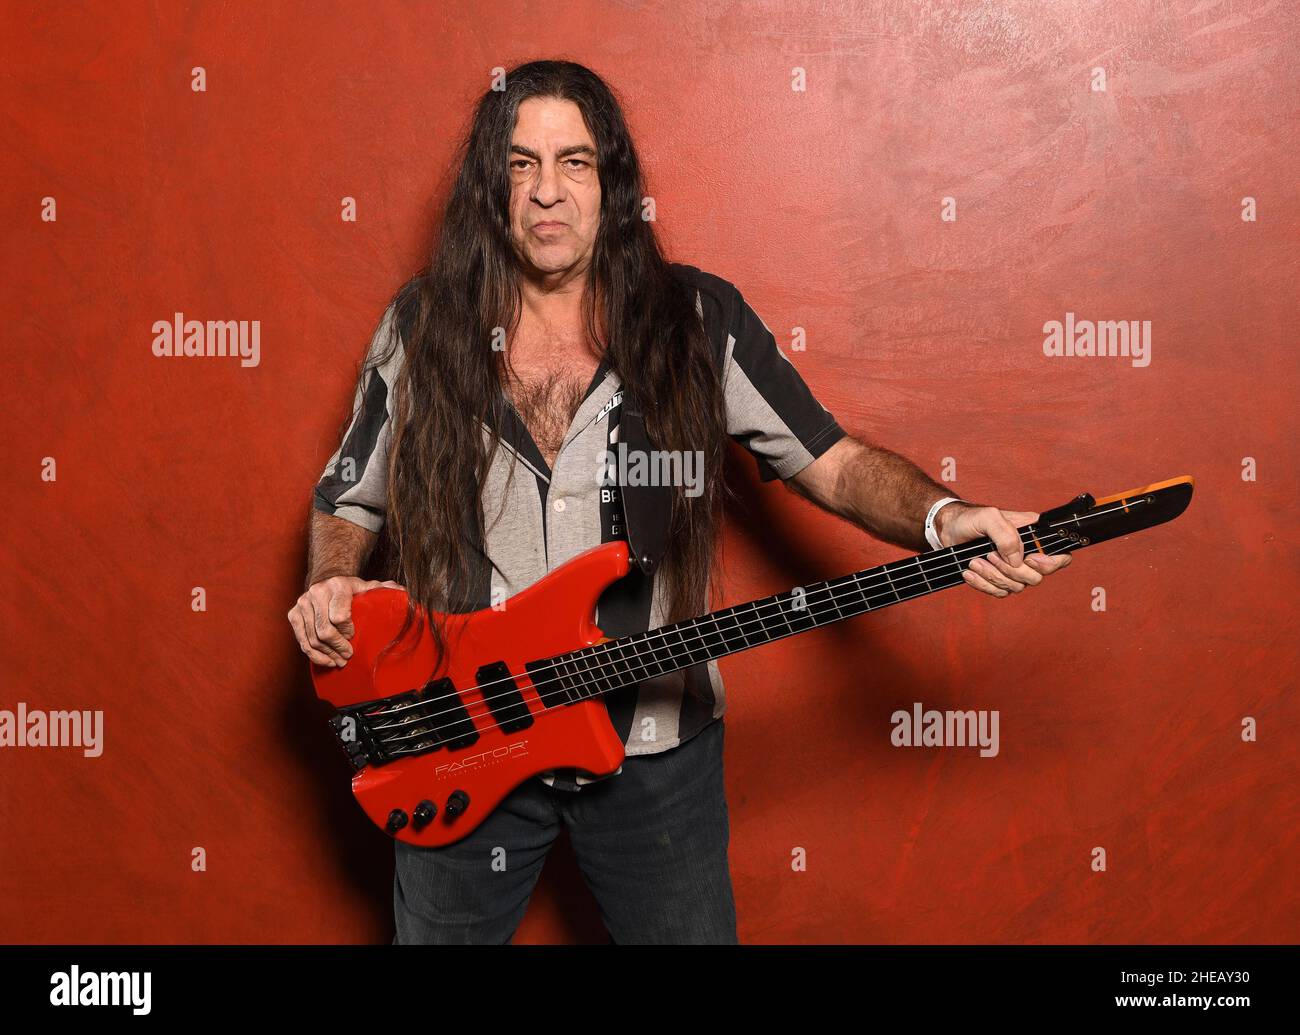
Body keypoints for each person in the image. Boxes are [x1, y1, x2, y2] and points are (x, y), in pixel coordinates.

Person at [287, 59, 1070, 945]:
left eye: (575, 163)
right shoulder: (420, 327)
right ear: (488, 187)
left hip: (656, 756)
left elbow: (835, 463)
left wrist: (946, 519)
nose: (548, 191)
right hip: (461, 736)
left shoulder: (698, 321)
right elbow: (347, 499)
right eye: (520, 164)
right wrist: (331, 582)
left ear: (611, 184)